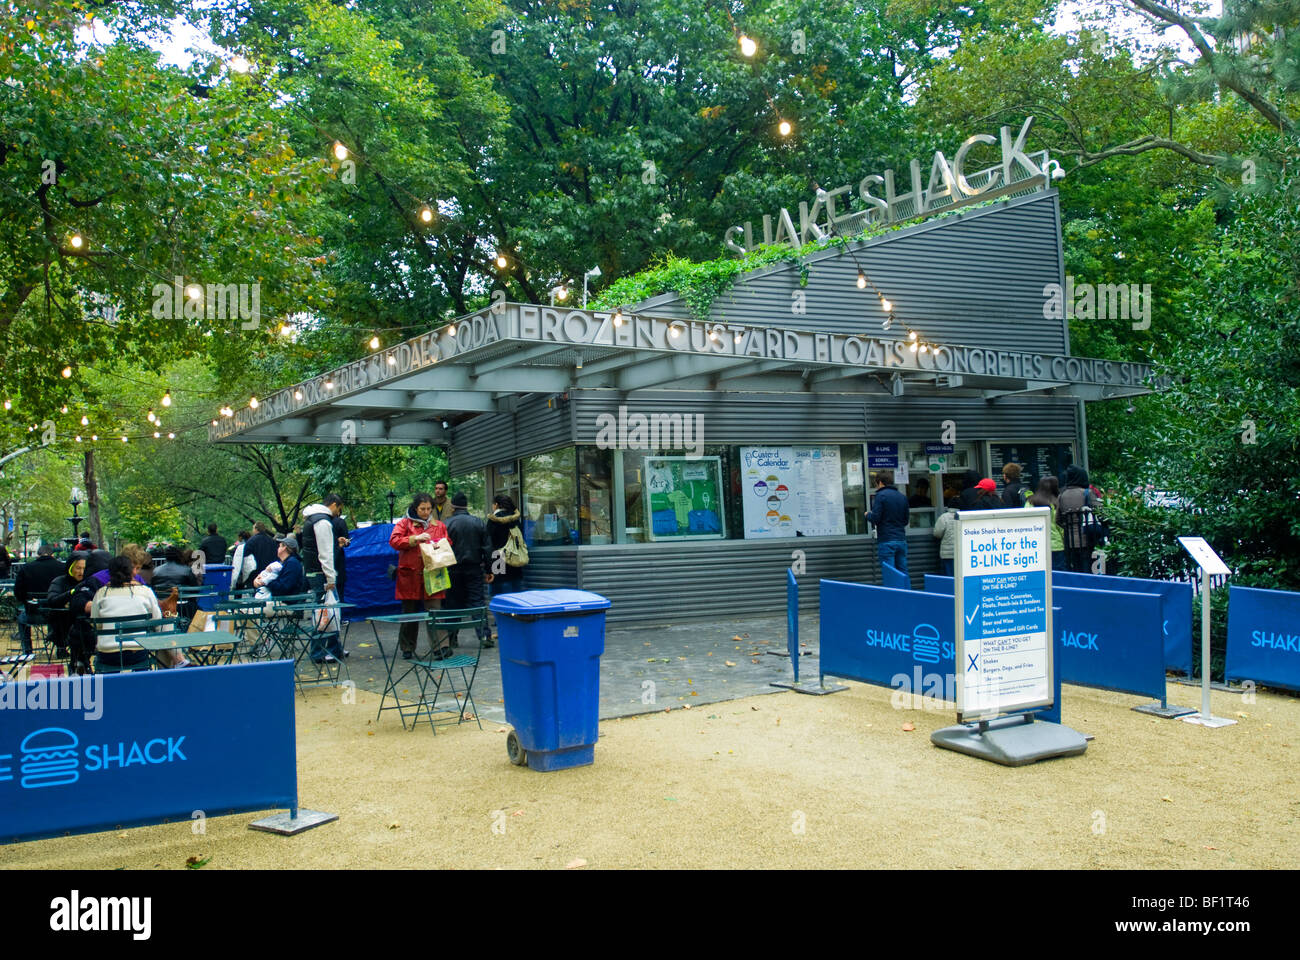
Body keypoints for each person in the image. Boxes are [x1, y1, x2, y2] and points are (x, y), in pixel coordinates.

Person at [91, 555, 189, 671]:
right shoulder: (145, 592)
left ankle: (178, 661)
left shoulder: (101, 594)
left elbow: (96, 624)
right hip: (137, 653)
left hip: (108, 654)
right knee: (163, 628)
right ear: (132, 572)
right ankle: (177, 662)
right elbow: (156, 621)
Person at [389, 492, 452, 660]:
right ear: (415, 508)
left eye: (429, 509)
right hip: (409, 574)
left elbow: (447, 542)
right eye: (422, 509)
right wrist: (415, 538)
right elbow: (394, 541)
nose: (426, 512)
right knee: (409, 612)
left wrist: (438, 545)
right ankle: (407, 647)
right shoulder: (404, 523)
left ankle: (441, 647)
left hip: (433, 574)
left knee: (435, 612)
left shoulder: (439, 525)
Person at [444, 492, 495, 648]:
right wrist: (489, 569)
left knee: (452, 604)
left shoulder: (446, 524)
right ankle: (484, 636)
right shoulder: (478, 523)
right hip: (473, 567)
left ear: (452, 506)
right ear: (466, 506)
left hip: (452, 569)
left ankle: (452, 637)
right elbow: (487, 548)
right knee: (477, 602)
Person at [486, 494, 525, 643]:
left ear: (496, 505)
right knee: (515, 595)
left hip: (498, 559)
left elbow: (489, 544)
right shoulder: (516, 520)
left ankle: (504, 630)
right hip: (515, 559)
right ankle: (516, 628)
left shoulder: (493, 521)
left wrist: (488, 568)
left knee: (498, 595)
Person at [14, 544, 63, 654]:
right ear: (53, 555)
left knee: (21, 619)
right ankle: (61, 648)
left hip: (33, 614)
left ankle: (27, 650)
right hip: (58, 615)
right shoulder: (62, 568)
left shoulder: (26, 568)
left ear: (38, 555)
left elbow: (18, 592)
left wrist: (26, 603)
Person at [45, 554, 92, 664]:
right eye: (78, 568)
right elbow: (52, 600)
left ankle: (81, 662)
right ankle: (77, 662)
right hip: (62, 626)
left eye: (84, 568)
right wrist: (72, 592)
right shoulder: (59, 581)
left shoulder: (90, 582)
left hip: (86, 625)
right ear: (71, 568)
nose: (81, 572)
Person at [1058, 465, 1102, 572]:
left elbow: (1058, 519)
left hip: (1070, 541)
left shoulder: (1062, 495)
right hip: (1088, 539)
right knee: (1088, 569)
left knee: (1076, 569)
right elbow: (1100, 512)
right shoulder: (1087, 493)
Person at [865, 469, 909, 575]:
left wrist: (867, 515)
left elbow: (875, 518)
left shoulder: (881, 496)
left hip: (887, 540)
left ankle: (892, 592)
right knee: (903, 572)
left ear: (880, 482)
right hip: (901, 540)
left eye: (876, 483)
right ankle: (906, 591)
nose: (876, 486)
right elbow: (906, 520)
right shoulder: (902, 497)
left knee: (890, 574)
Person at [300, 494, 343, 599]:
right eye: (339, 509)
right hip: (320, 574)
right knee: (327, 611)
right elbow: (326, 552)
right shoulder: (323, 522)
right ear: (333, 505)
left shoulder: (312, 518)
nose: (338, 513)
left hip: (312, 571)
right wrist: (331, 578)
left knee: (319, 610)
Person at [1026, 476, 1066, 569]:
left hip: (1035, 544)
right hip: (1056, 545)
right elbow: (1059, 525)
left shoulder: (1030, 502)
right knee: (1058, 573)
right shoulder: (1055, 503)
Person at [151, 545, 199, 618]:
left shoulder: (156, 571)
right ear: (179, 555)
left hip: (162, 606)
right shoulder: (186, 570)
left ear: (166, 556)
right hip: (182, 606)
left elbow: (152, 588)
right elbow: (195, 589)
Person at [932, 499, 959, 577]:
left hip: (948, 554)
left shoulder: (944, 517)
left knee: (949, 576)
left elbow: (937, 533)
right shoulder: (963, 516)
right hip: (961, 553)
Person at [331, 512, 350, 603]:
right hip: (338, 563)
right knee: (339, 593)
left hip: (322, 564)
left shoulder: (320, 521)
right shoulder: (340, 522)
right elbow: (347, 542)